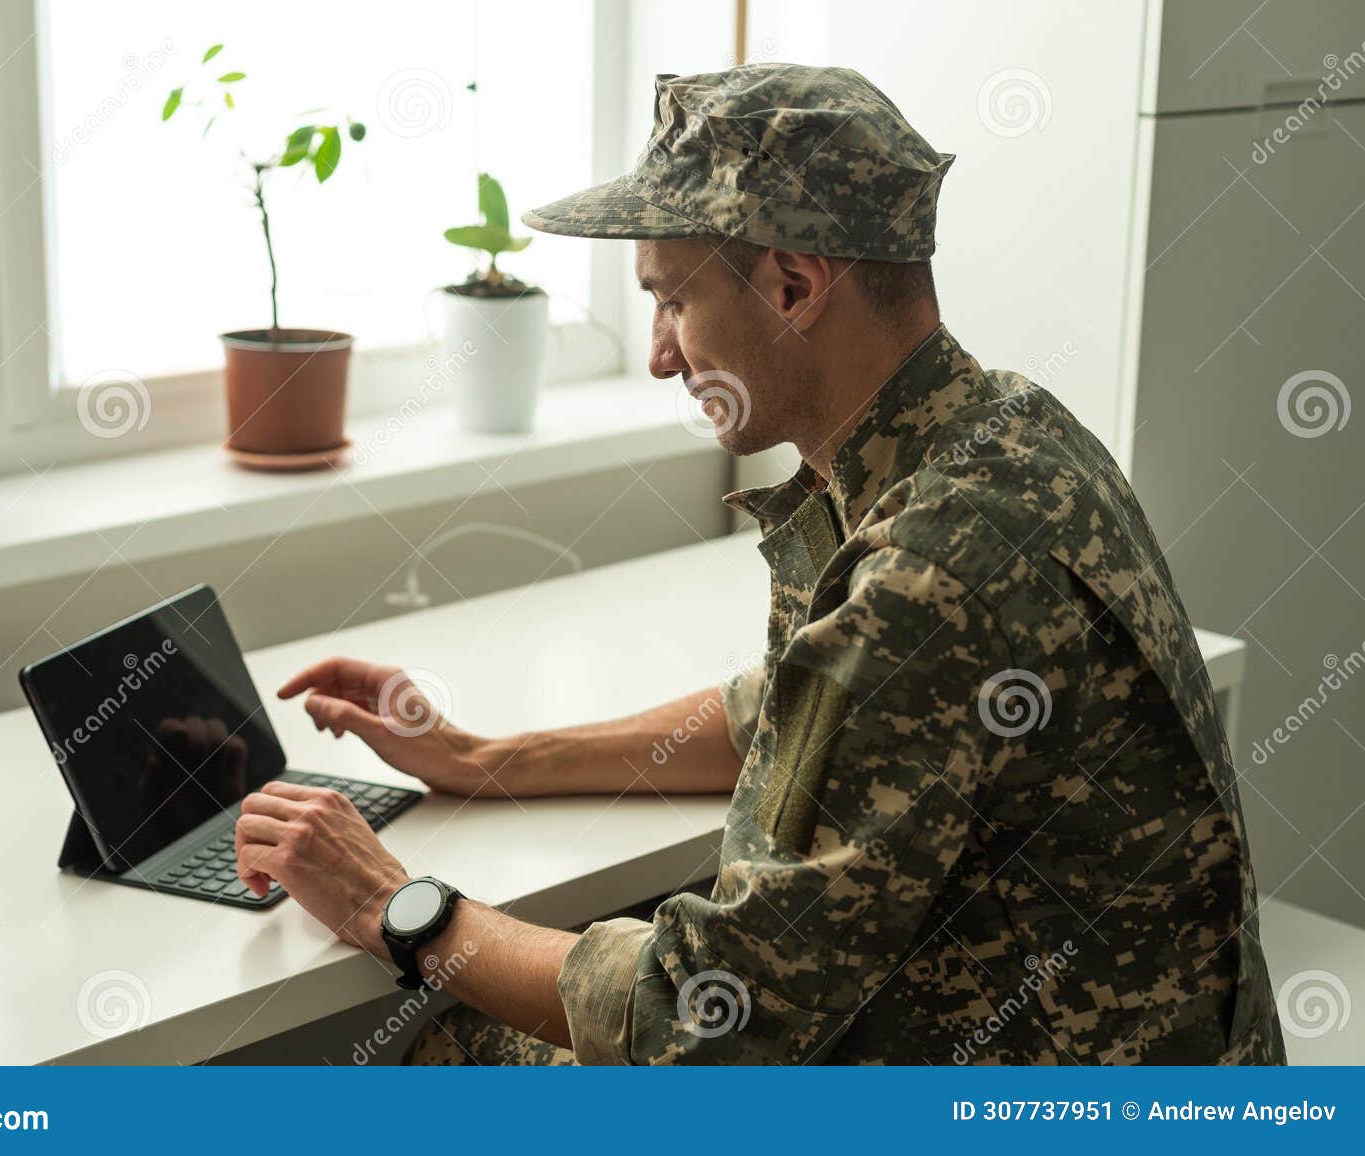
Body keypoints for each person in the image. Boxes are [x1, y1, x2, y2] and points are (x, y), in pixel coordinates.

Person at [232, 64, 1285, 1065]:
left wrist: (395, 906)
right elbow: (790, 714)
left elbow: (701, 1020)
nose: (656, 354)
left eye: (671, 301)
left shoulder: (930, 570)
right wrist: (487, 759)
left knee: (436, 1042)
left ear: (791, 284)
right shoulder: (1004, 426)